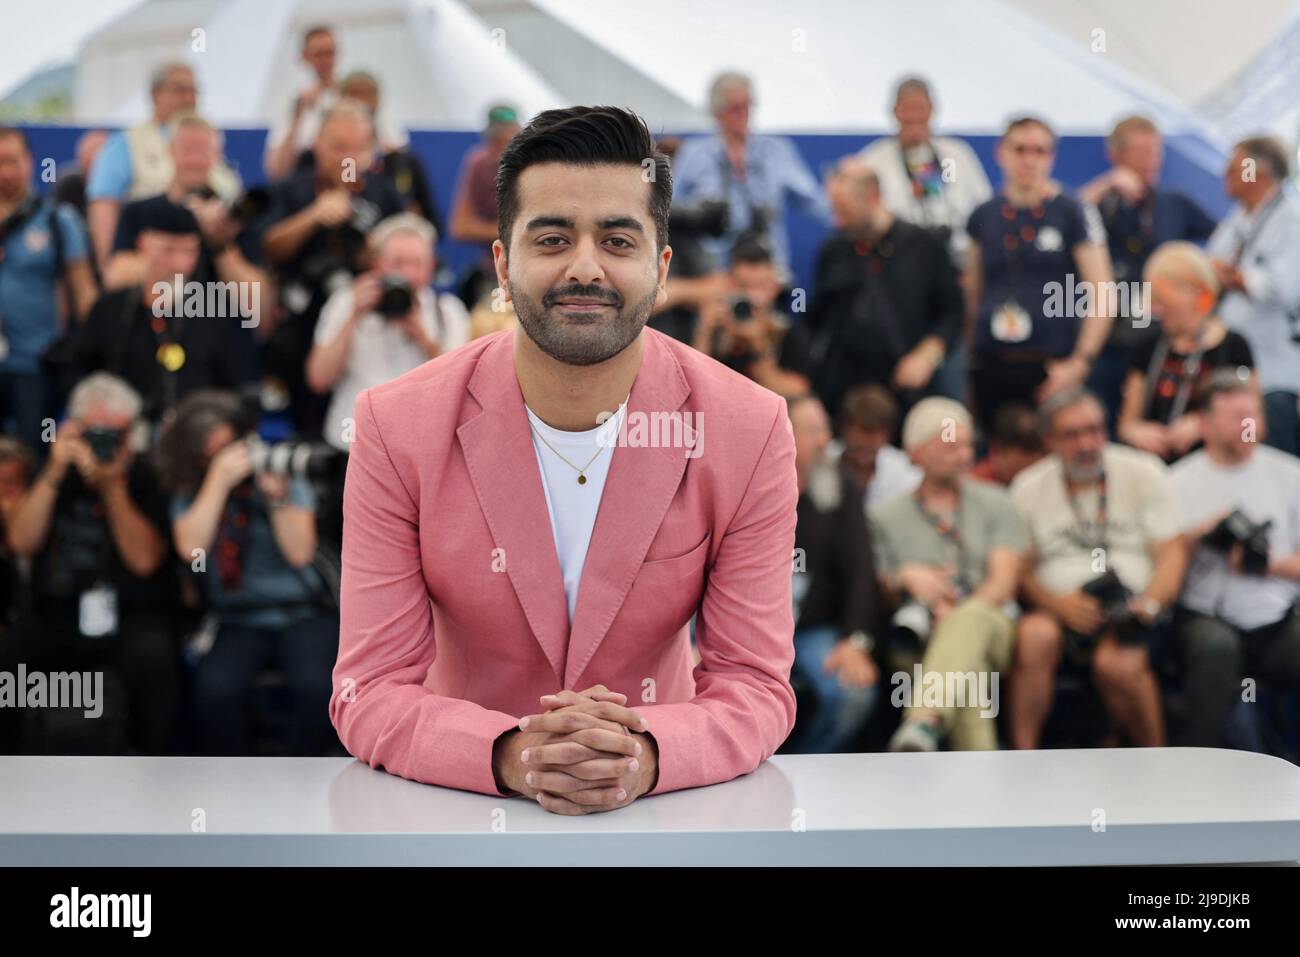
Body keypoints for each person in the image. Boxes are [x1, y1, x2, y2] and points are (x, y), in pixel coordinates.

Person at [331, 106, 799, 814]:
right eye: (552, 237)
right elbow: (368, 687)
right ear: (501, 262)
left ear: (662, 267)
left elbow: (757, 686)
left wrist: (642, 753)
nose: (585, 266)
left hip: (663, 812)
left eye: (617, 239)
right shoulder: (395, 425)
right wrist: (512, 752)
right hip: (454, 813)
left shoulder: (748, 428)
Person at [156, 389, 339, 756]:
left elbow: (300, 553)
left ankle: (312, 782)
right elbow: (191, 549)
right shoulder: (195, 489)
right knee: (214, 689)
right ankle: (231, 785)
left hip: (302, 612)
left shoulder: (280, 470)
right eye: (215, 450)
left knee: (316, 686)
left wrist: (277, 498)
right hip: (237, 618)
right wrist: (218, 483)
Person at [4, 373, 178, 754]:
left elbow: (145, 561)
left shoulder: (148, 478)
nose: (104, 445)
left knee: (155, 659)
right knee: (9, 655)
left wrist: (112, 486)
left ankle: (159, 772)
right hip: (59, 610)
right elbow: (20, 542)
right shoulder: (55, 474)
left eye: (115, 434)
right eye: (95, 433)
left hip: (131, 614)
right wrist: (53, 472)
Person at [1009, 389, 1186, 749]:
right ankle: (1021, 759)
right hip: (1060, 608)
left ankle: (1158, 762)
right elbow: (1019, 569)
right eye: (1071, 435)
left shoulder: (1143, 471)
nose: (1087, 443)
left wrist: (1148, 605)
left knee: (1117, 664)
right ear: (1048, 441)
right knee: (1033, 636)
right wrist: (1055, 604)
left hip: (1132, 607)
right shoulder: (1028, 487)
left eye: (1094, 430)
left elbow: (1172, 553)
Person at [870, 399, 1025, 752]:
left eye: (970, 445)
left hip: (990, 624)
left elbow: (1002, 583)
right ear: (916, 452)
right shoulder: (885, 517)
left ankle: (921, 718)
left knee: (968, 623)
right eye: (952, 446)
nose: (966, 456)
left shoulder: (996, 502)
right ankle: (982, 788)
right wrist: (903, 578)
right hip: (916, 638)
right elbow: (876, 594)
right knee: (968, 675)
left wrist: (954, 616)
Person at [1167, 371, 1300, 747]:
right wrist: (1197, 538)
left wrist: (1266, 563)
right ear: (1205, 424)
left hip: (1274, 616)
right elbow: (1159, 566)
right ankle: (1198, 767)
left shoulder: (1290, 474)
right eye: (1236, 417)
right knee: (1215, 649)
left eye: (1253, 415)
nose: (1248, 426)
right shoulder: (1176, 482)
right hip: (1205, 614)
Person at [258, 100, 405, 433]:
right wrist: (313, 216)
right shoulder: (292, 189)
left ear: (372, 151)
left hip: (367, 328)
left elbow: (413, 256)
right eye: (339, 146)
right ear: (318, 145)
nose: (348, 158)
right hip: (302, 324)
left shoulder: (385, 195)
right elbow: (268, 247)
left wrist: (375, 253)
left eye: (358, 148)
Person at [964, 117, 1113, 433]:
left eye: (1039, 151)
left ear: (1052, 157)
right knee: (997, 456)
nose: (1029, 160)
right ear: (1001, 153)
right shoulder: (984, 214)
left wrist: (1079, 363)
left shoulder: (1073, 212)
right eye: (1020, 150)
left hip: (1053, 365)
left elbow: (1102, 294)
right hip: (994, 363)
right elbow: (971, 293)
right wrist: (970, 358)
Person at [1077, 116, 1217, 426]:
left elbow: (1222, 238)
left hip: (1160, 336)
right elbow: (1067, 217)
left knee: (1154, 415)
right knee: (1101, 414)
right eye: (1140, 152)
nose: (1150, 161)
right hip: (1107, 336)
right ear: (1116, 155)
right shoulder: (1100, 203)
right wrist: (1108, 184)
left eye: (1155, 151)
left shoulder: (1174, 203)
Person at [807, 157, 961, 419]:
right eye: (834, 211)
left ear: (872, 196)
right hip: (847, 396)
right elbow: (816, 319)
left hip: (906, 390)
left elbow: (952, 312)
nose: (838, 222)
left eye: (844, 210)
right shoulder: (833, 250)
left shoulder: (924, 246)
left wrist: (927, 357)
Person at [73, 200, 248, 429]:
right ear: (142, 246)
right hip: (124, 434)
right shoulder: (112, 309)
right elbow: (78, 371)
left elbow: (241, 385)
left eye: (190, 251)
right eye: (169, 250)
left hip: (195, 437)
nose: (180, 264)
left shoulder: (217, 311)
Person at [307, 213, 470, 452]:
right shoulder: (347, 301)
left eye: (416, 264)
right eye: (397, 264)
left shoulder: (447, 312)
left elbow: (461, 390)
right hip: (352, 447)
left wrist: (424, 338)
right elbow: (319, 379)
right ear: (377, 264)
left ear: (431, 267)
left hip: (420, 451)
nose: (406, 275)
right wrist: (353, 316)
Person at [784, 395, 879, 753]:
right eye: (812, 431)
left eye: (825, 430)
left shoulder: (841, 486)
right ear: (783, 433)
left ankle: (805, 771)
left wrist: (855, 640)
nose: (824, 440)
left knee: (854, 695)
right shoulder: (745, 482)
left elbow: (861, 570)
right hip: (746, 628)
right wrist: (694, 642)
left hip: (811, 629)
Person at [671, 71, 831, 279]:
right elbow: (671, 211)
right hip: (713, 275)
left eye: (748, 106)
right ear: (716, 112)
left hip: (768, 272)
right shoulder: (694, 154)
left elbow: (813, 202)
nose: (743, 114)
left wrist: (846, 220)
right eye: (735, 108)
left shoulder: (776, 151)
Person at [86, 62, 240, 274]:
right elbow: (104, 211)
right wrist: (109, 273)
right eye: (180, 89)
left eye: (194, 90)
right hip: (148, 270)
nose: (189, 98)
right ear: (155, 94)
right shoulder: (125, 144)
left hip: (213, 277)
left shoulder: (211, 144)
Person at [0, 127, 99, 454]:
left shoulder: (58, 220)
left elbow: (84, 292)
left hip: (35, 366)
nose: (5, 172)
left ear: (29, 163)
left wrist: (101, 350)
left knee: (35, 454)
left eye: (12, 161)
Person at [1206, 135, 1300, 456]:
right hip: (1233, 368)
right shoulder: (1236, 219)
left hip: (1275, 371)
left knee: (1274, 456)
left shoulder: (1292, 221)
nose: (1225, 174)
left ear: (1256, 172)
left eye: (1234, 168)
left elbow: (1283, 289)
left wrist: (1234, 277)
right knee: (1240, 455)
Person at [1117, 242, 1254, 462]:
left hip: (1212, 467)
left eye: (1163, 300)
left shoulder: (1234, 347)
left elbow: (1253, 428)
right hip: (1157, 465)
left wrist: (1206, 425)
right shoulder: (1149, 347)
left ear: (1195, 294)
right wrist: (1138, 432)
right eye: (1155, 301)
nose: (1157, 309)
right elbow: (1126, 423)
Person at [857, 76, 993, 266]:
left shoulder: (957, 155)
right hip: (897, 264)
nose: (914, 116)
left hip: (955, 261)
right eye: (907, 109)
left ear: (932, 110)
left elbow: (985, 210)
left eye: (920, 108)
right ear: (895, 112)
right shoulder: (873, 161)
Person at [691, 236, 811, 399]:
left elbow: (796, 390)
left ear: (775, 288)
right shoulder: (717, 325)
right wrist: (704, 330)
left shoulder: (786, 330)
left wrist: (758, 346)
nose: (752, 297)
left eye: (761, 287)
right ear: (728, 286)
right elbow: (694, 384)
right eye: (744, 286)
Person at [449, 104, 521, 308]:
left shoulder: (536, 164)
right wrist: (511, 230)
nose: (501, 149)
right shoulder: (478, 162)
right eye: (495, 141)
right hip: (493, 270)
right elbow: (459, 226)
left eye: (508, 140)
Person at [835, 384, 920, 509]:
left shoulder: (905, 472)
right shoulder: (820, 462)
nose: (864, 445)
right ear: (844, 429)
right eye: (857, 447)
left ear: (886, 436)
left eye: (870, 448)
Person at [969, 403, 1045, 485]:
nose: (1032, 461)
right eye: (1026, 449)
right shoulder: (977, 481)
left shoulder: (1045, 477)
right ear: (999, 449)